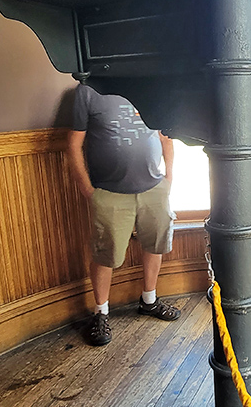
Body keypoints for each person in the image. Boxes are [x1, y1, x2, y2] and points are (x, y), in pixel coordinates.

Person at [67, 84, 181, 347]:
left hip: (155, 189)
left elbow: (165, 137)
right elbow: (74, 145)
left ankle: (149, 300)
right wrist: (88, 190)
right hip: (109, 192)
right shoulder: (87, 91)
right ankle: (101, 313)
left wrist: (169, 178)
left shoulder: (152, 86)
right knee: (106, 254)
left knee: (155, 245)